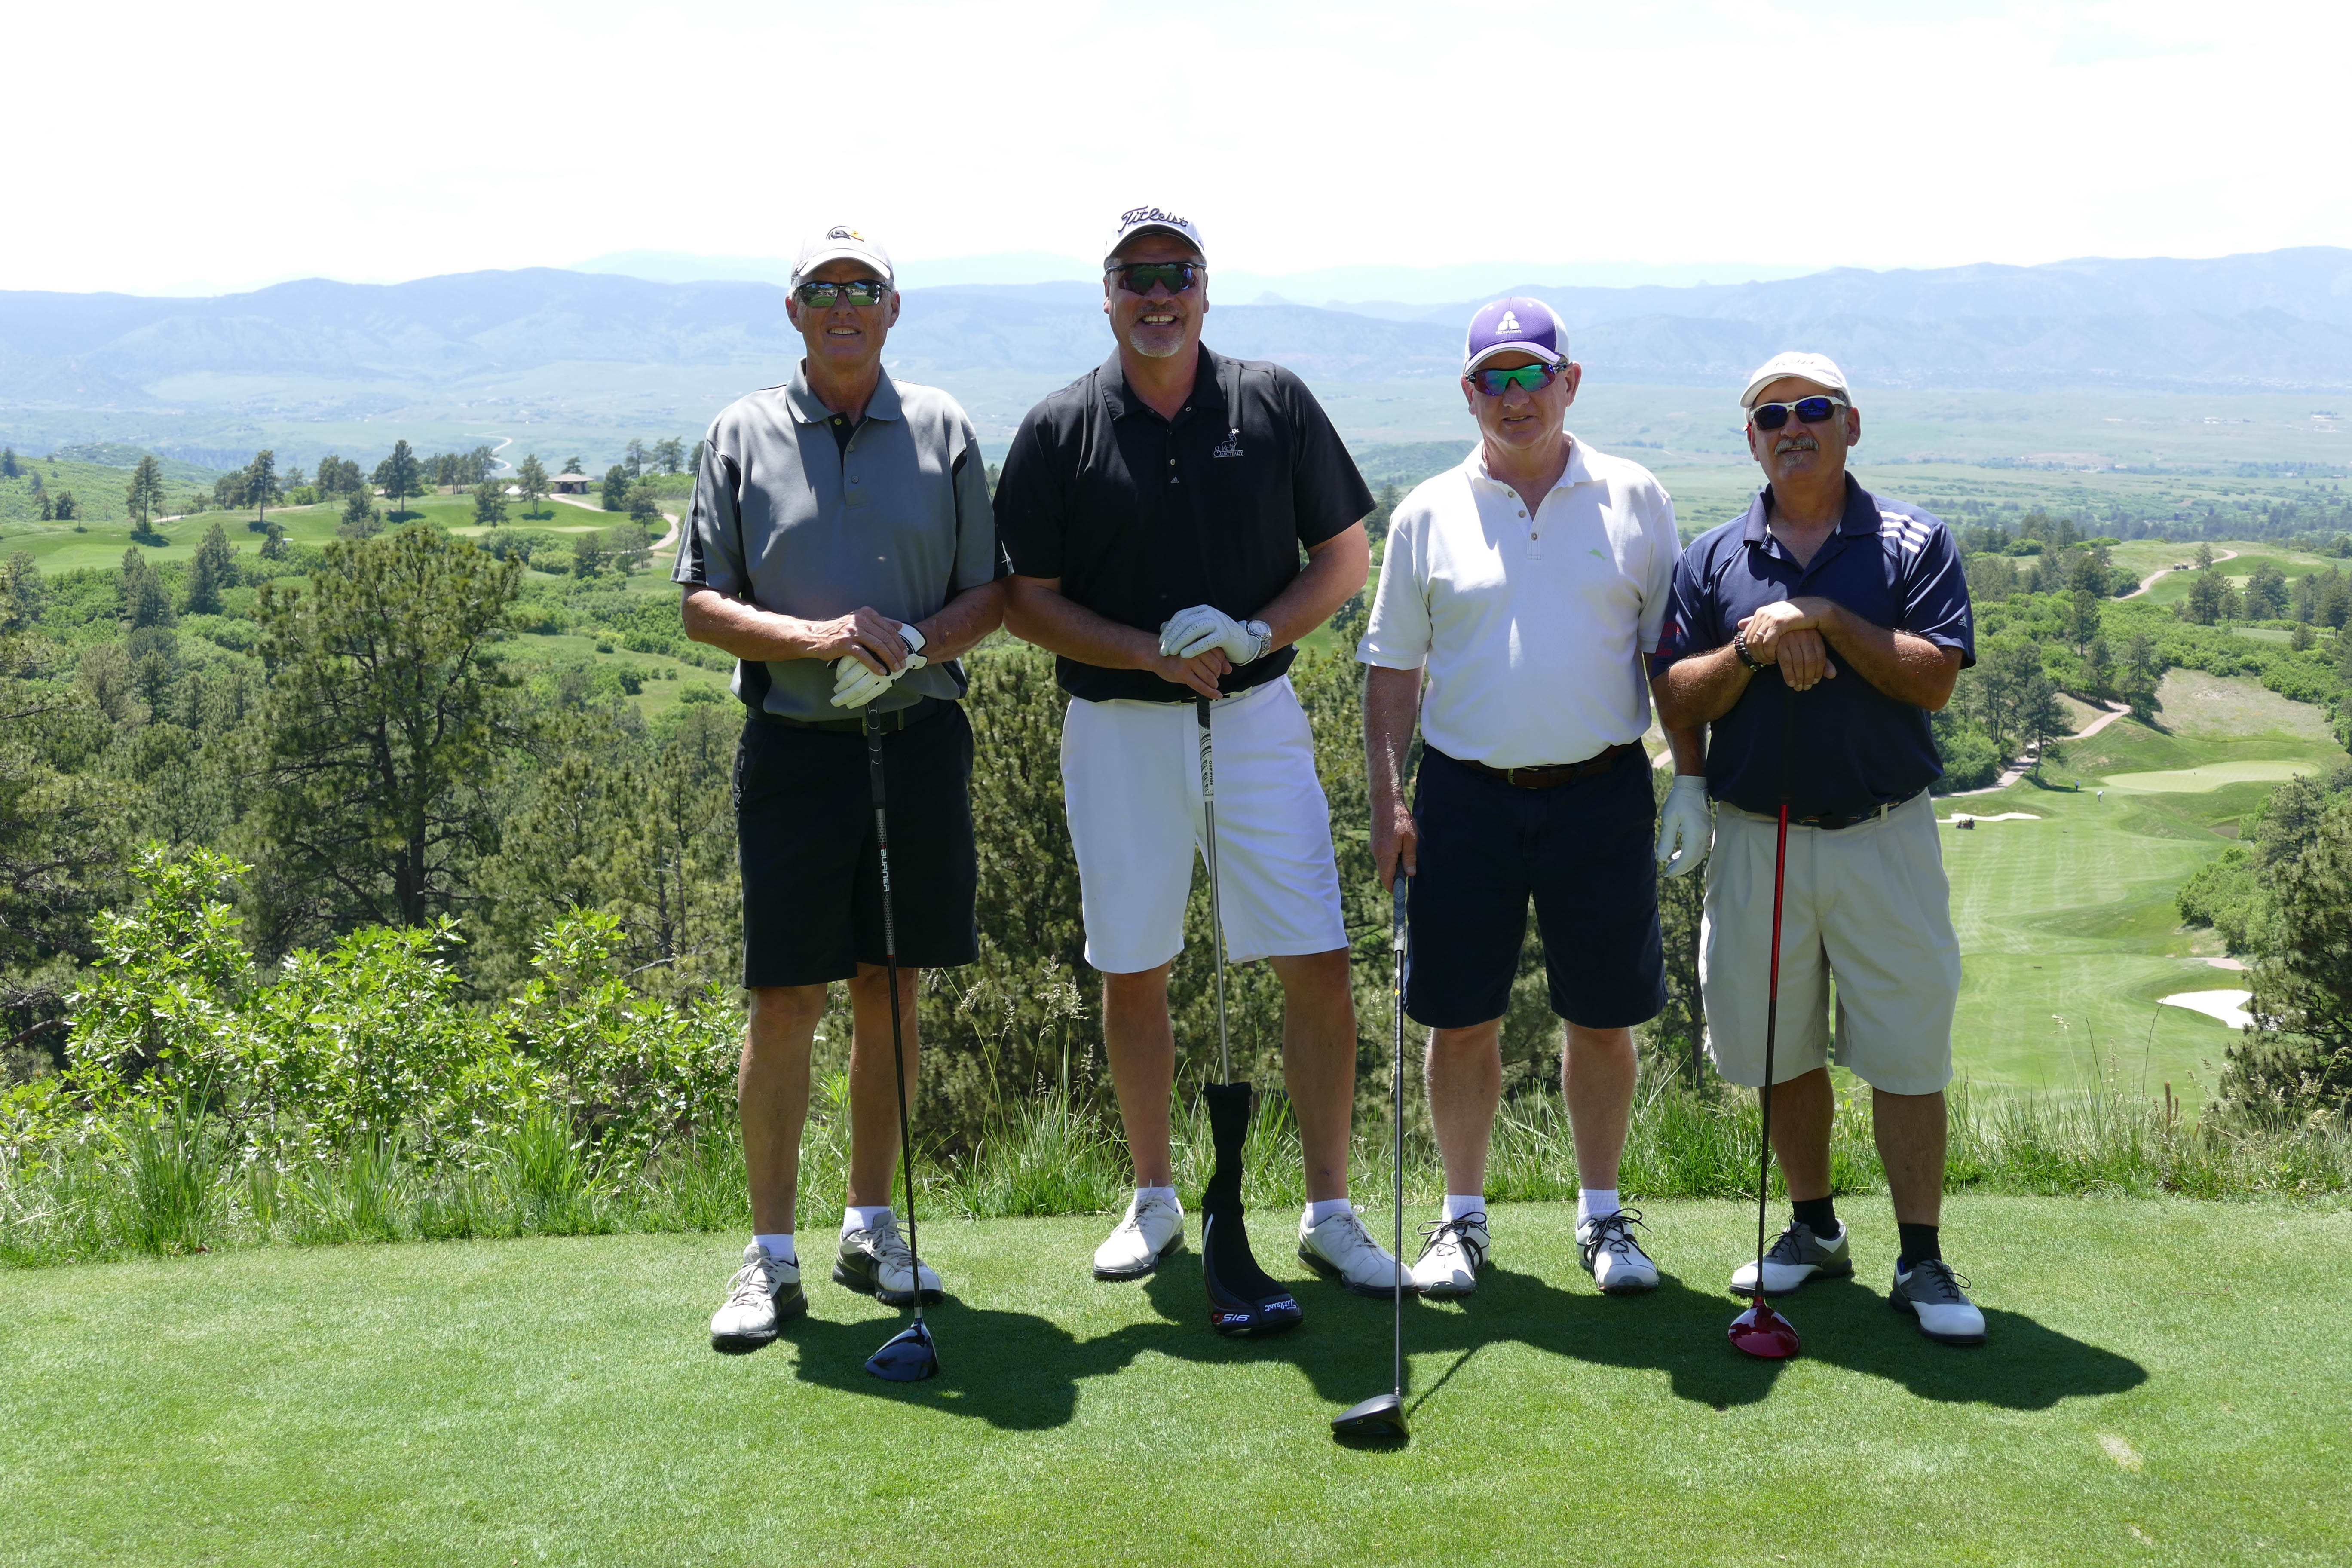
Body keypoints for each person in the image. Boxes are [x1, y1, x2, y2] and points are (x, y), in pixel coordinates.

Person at [995, 205, 1403, 1296]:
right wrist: (1146, 652)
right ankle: (1156, 1199)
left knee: (1314, 958)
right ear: (1109, 295)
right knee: (1135, 967)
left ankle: (1328, 1211)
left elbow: (1345, 558)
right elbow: (1024, 602)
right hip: (1117, 730)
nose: (1158, 295)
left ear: (1206, 288)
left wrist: (1258, 633)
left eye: (1177, 273)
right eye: (1137, 278)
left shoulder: (1271, 401)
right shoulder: (1059, 428)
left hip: (1257, 720)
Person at [676, 225, 1006, 1354]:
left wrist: (911, 644)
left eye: (863, 289)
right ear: (795, 311)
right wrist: (820, 638)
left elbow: (987, 596)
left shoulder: (946, 427)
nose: (845, 306)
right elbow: (703, 605)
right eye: (825, 291)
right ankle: (771, 1258)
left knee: (893, 987)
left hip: (917, 735)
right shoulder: (741, 430)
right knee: (785, 1000)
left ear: (894, 308)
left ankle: (873, 1227)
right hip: (795, 746)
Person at [1648, 351, 1986, 1346]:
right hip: (1759, 836)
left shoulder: (1914, 544)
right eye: (1771, 416)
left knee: (1906, 1051)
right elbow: (1677, 692)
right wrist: (1755, 648)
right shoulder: (1711, 559)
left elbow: (1933, 680)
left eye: (1813, 410)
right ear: (1751, 439)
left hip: (1885, 833)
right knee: (1777, 1044)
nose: (1792, 426)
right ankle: (1814, 1229)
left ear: (1850, 423)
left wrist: (1827, 619)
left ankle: (1921, 1257)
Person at [1360, 298, 1685, 1298]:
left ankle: (1602, 1219)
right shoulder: (1426, 512)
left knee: (1602, 1017)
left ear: (1569, 383)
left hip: (1603, 794)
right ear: (1468, 396)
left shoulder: (1636, 497)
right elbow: (1391, 673)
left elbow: (1667, 655)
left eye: (1531, 375)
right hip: (1465, 798)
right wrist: (1389, 800)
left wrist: (1692, 778)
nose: (1514, 398)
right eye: (1493, 381)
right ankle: (1460, 1222)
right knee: (1460, 1019)